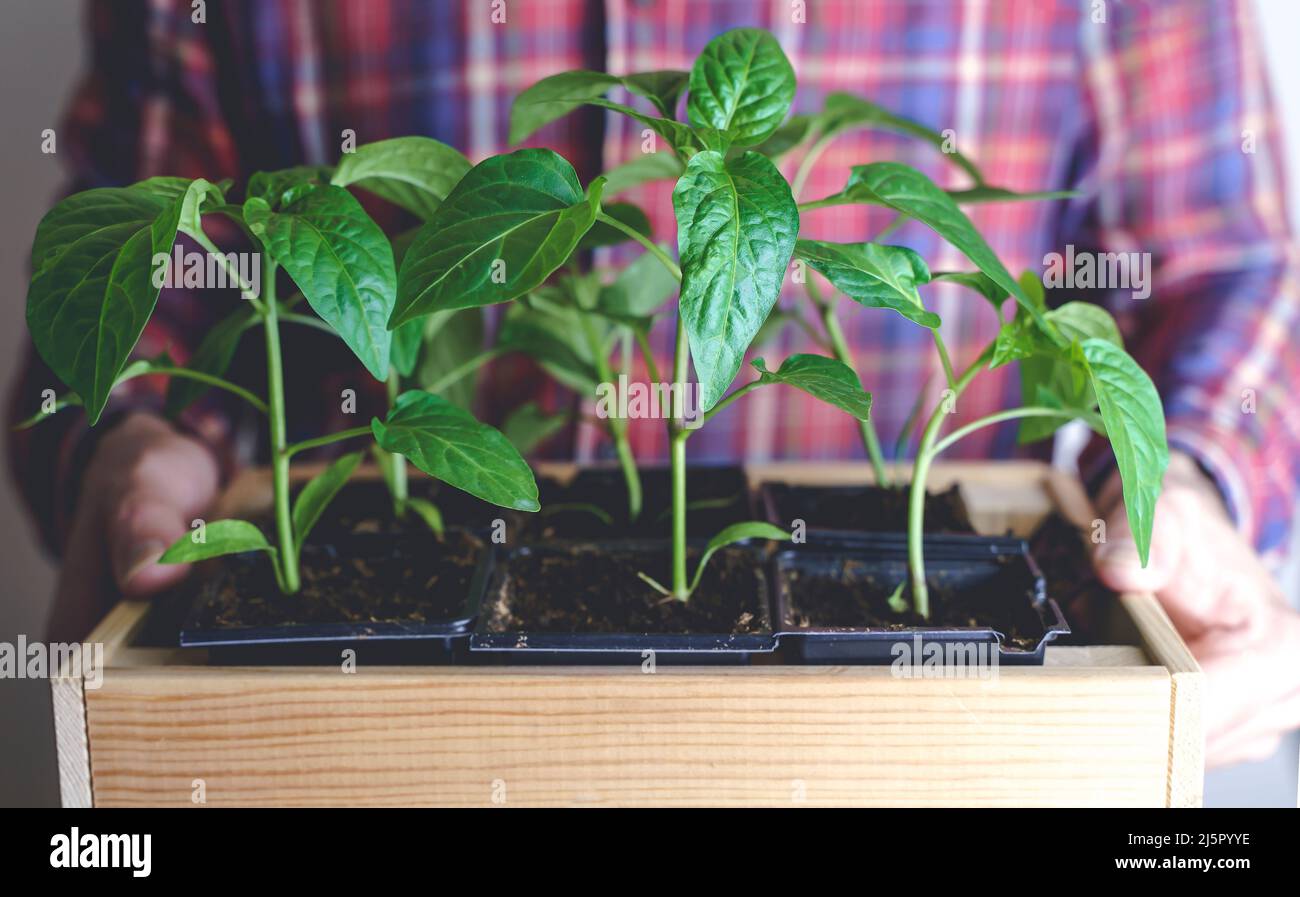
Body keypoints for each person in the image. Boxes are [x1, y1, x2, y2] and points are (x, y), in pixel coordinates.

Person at [10, 0, 1299, 768]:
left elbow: (1231, 264)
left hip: (917, 746)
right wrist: (123, 440)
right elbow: (155, 271)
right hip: (378, 735)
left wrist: (1182, 480)